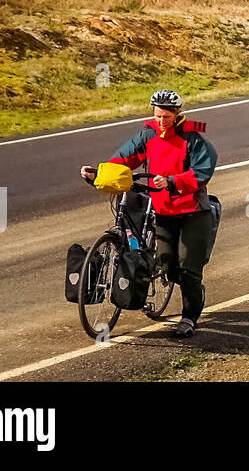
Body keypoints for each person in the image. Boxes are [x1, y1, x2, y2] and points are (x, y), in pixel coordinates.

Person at [80, 89, 219, 337]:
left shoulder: (193, 139)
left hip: (193, 213)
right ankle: (187, 289)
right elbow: (122, 159)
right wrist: (99, 174)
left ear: (177, 115)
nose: (161, 121)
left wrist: (173, 182)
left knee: (188, 269)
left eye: (166, 116)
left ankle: (189, 317)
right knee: (167, 266)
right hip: (164, 211)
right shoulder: (148, 136)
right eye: (158, 116)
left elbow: (203, 170)